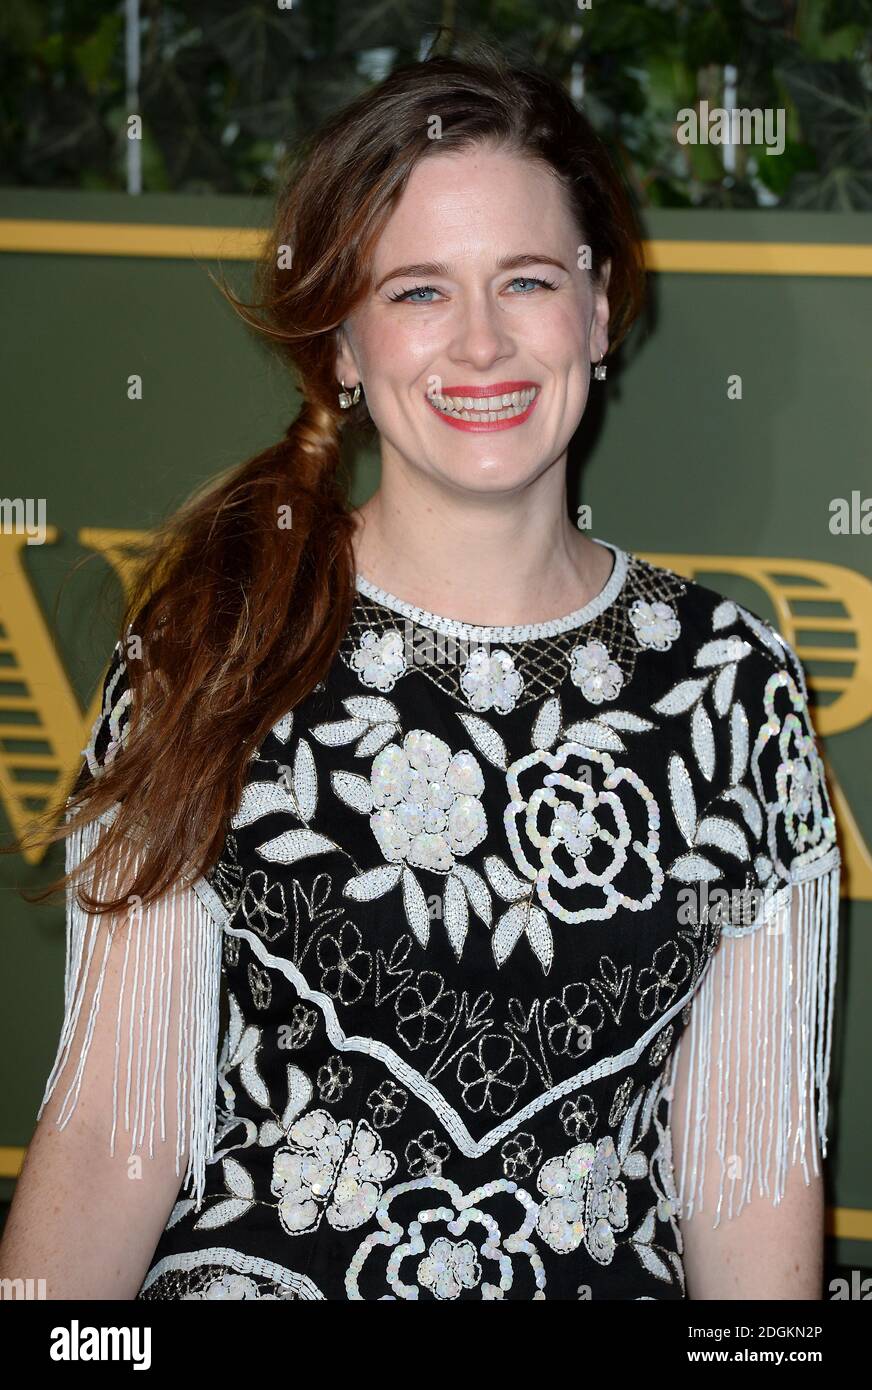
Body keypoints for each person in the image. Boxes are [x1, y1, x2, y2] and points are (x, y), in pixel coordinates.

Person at [0, 44, 841, 1301]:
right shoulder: (215, 647)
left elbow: (745, 1190)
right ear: (341, 341)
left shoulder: (730, 689)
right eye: (417, 294)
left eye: (525, 280)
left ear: (597, 307)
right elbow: (114, 1150)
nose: (484, 344)